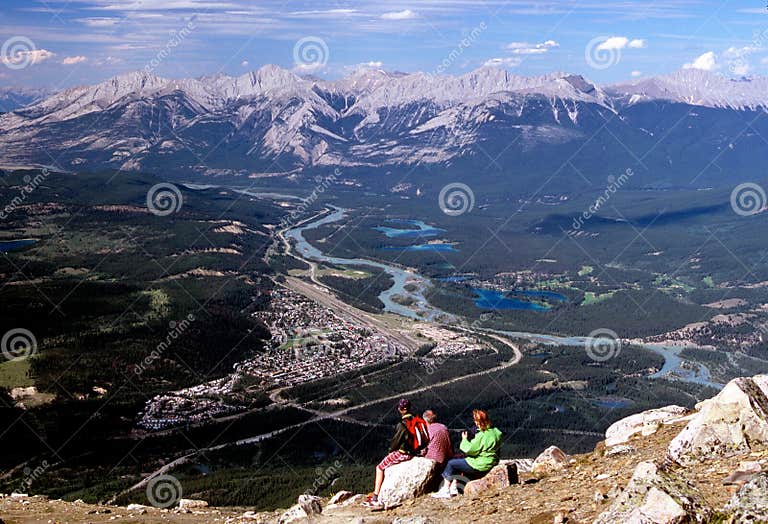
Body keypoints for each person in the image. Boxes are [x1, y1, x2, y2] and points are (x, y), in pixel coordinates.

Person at [364, 399, 429, 508]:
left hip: (404, 453)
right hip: (415, 451)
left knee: (379, 467)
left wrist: (391, 451)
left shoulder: (402, 424)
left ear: (400, 409)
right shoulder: (416, 419)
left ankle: (375, 497)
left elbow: (396, 442)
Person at [432, 409, 502, 498]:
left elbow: (471, 450)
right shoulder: (496, 432)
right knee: (459, 463)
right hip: (491, 461)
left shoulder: (482, 435)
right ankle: (454, 487)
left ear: (478, 421)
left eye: (476, 421)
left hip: (480, 464)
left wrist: (464, 439)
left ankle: (445, 489)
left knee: (451, 464)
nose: (475, 423)